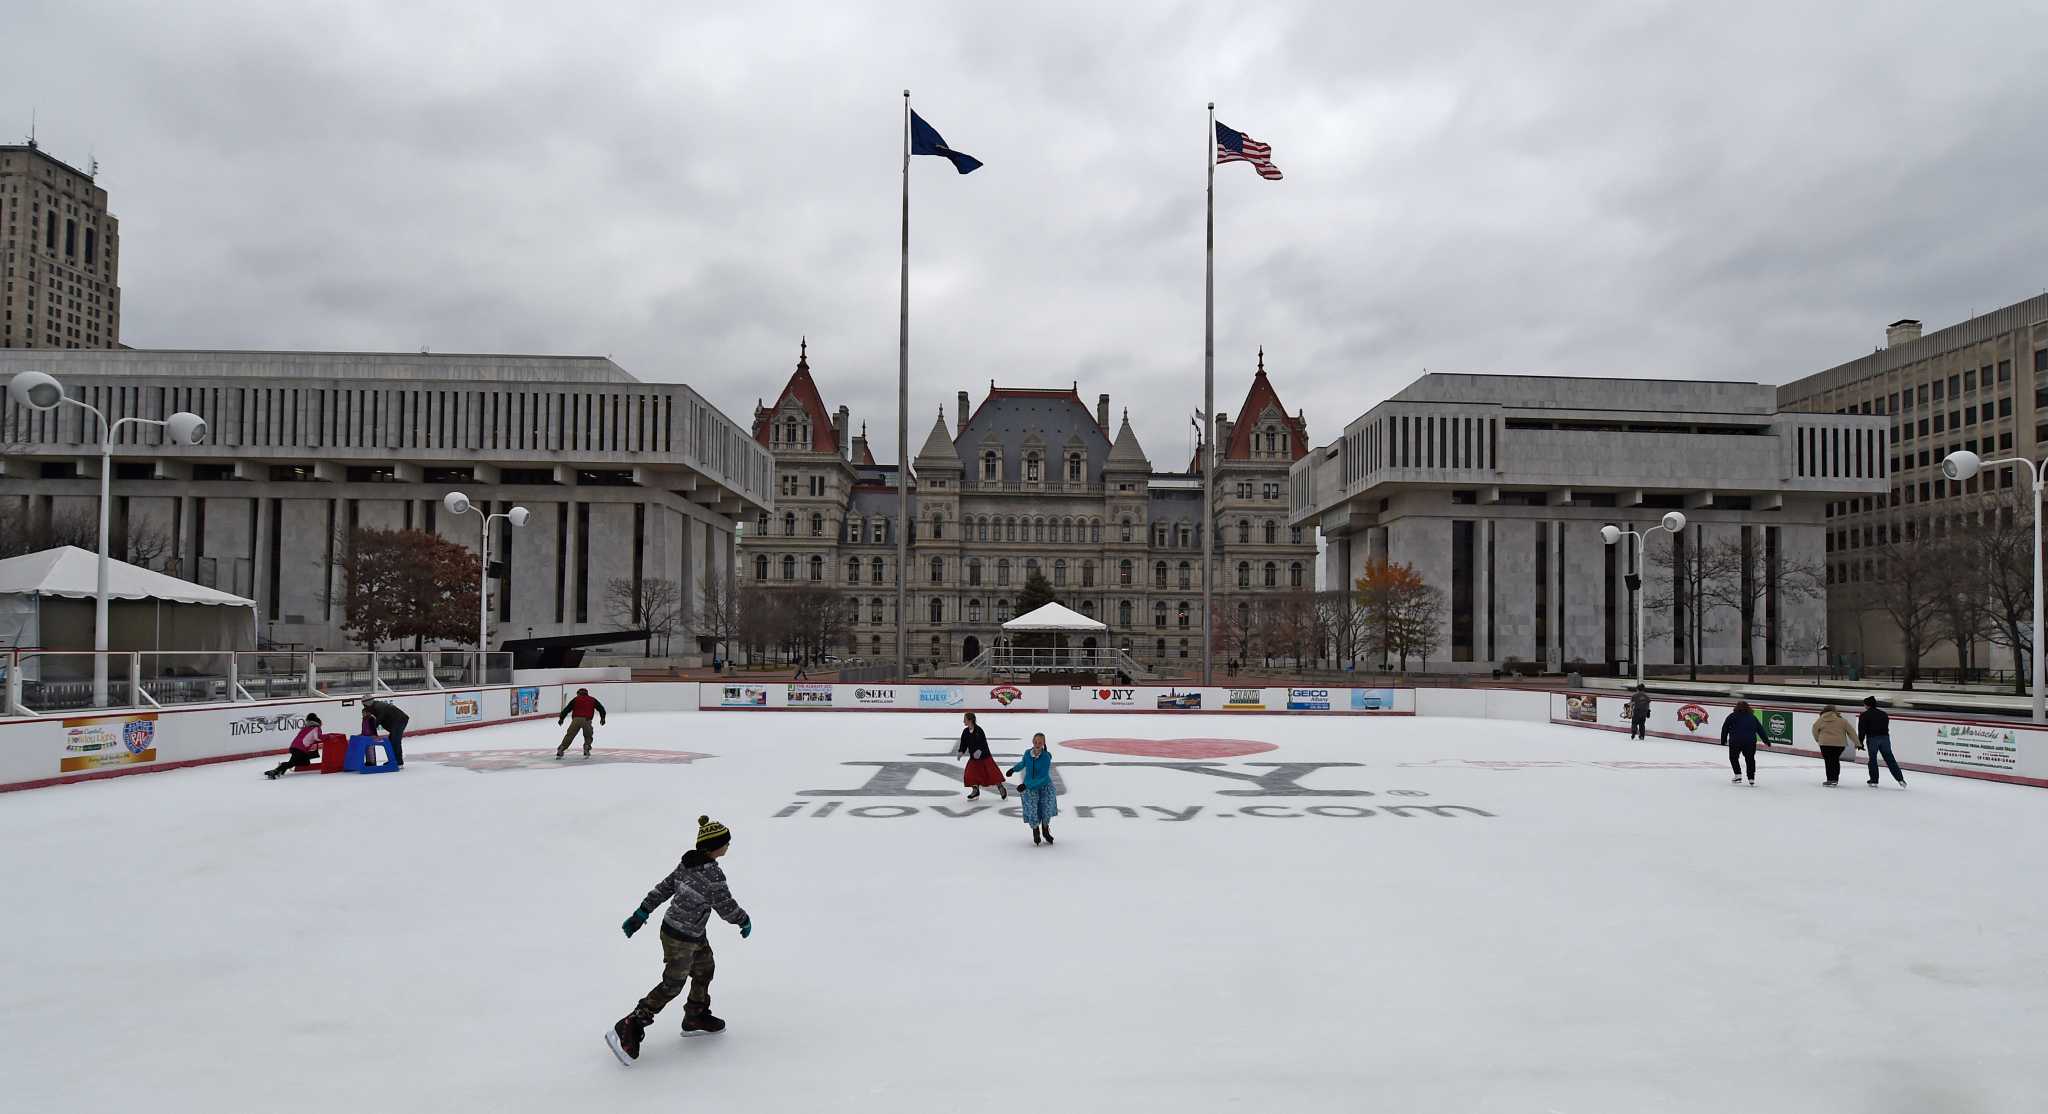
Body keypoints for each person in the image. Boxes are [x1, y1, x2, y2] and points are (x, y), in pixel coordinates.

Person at [607, 815, 753, 1066]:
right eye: (725, 842)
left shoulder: (688, 864)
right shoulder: (712, 875)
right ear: (714, 847)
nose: (728, 846)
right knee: (673, 983)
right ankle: (631, 1023)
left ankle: (695, 1015)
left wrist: (643, 912)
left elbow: (663, 888)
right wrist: (743, 920)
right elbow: (726, 907)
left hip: (690, 932)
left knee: (705, 968)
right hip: (679, 937)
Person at [1007, 732, 1058, 845]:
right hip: (1030, 786)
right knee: (1032, 808)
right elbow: (1023, 763)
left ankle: (1045, 829)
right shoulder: (1027, 754)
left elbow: (1042, 776)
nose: (1037, 744)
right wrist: (1013, 770)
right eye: (1036, 742)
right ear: (1032, 742)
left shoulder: (1045, 757)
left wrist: (1025, 785)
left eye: (1040, 742)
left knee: (1046, 808)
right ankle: (1035, 830)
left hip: (1045, 786)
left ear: (1044, 743)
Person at [957, 712, 1007, 801]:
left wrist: (979, 750)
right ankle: (975, 791)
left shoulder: (979, 730)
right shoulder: (965, 732)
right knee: (970, 774)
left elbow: (983, 742)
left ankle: (1000, 787)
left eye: (965, 719)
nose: (963, 721)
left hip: (985, 757)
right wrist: (961, 751)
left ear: (970, 720)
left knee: (992, 774)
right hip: (974, 758)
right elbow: (963, 743)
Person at [1859, 696, 1906, 788]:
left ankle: (1874, 780)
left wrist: (1860, 742)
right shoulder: (1883, 714)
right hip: (1885, 738)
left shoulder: (1864, 715)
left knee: (1872, 759)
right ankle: (1900, 779)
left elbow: (1862, 730)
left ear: (1867, 705)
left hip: (1872, 738)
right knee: (1890, 759)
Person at [264, 713, 325, 779]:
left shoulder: (305, 728)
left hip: (294, 747)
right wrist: (328, 736)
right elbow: (318, 737)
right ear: (318, 723)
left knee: (305, 763)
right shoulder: (316, 728)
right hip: (301, 749)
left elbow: (306, 738)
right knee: (292, 763)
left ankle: (281, 767)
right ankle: (276, 771)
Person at [1810, 704, 1859, 787]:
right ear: (1834, 711)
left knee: (1828, 761)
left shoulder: (1820, 720)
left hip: (1825, 744)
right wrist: (1857, 743)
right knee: (1835, 760)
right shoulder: (1842, 721)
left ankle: (1830, 779)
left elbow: (1814, 729)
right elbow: (1851, 732)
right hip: (1839, 745)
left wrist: (1818, 739)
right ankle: (1835, 779)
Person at [556, 687, 609, 759]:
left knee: (570, 735)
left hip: (576, 719)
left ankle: (561, 748)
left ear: (578, 693)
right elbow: (601, 709)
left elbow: (567, 709)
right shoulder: (592, 699)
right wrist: (602, 718)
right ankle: (586, 747)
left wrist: (561, 718)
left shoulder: (575, 699)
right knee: (588, 735)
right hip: (587, 720)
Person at [1721, 700, 1764, 785]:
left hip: (1735, 741)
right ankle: (1751, 778)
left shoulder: (1732, 716)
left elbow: (1725, 728)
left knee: (1733, 757)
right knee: (1750, 759)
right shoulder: (1752, 717)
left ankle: (1738, 775)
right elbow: (1760, 729)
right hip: (1750, 742)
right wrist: (1766, 741)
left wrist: (1723, 740)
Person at [359, 698, 410, 769]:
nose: (364, 707)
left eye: (364, 705)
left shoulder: (378, 706)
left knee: (395, 741)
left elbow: (380, 718)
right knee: (392, 740)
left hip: (399, 720)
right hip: (396, 721)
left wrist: (373, 728)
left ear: (367, 703)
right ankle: (393, 761)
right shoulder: (374, 706)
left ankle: (398, 762)